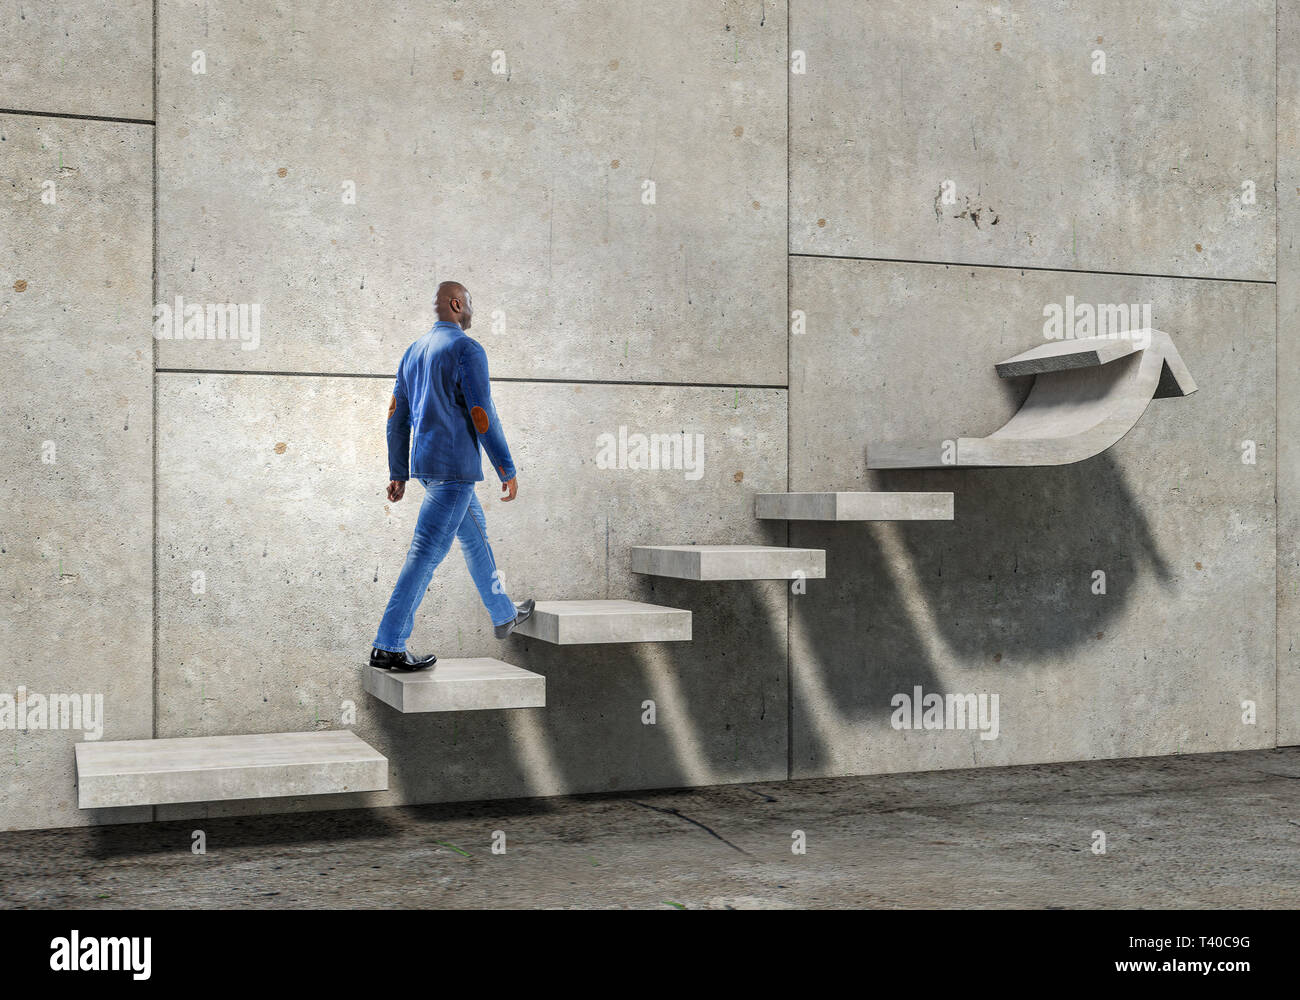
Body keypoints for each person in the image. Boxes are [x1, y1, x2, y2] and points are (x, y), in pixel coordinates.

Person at [370, 281, 534, 671]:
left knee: (476, 539)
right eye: (471, 303)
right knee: (425, 554)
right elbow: (482, 413)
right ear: (457, 304)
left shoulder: (413, 351)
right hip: (456, 472)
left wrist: (399, 472)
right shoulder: (467, 349)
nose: (472, 310)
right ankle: (388, 645)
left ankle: (503, 613)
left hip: (426, 469)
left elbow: (397, 416)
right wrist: (505, 467)